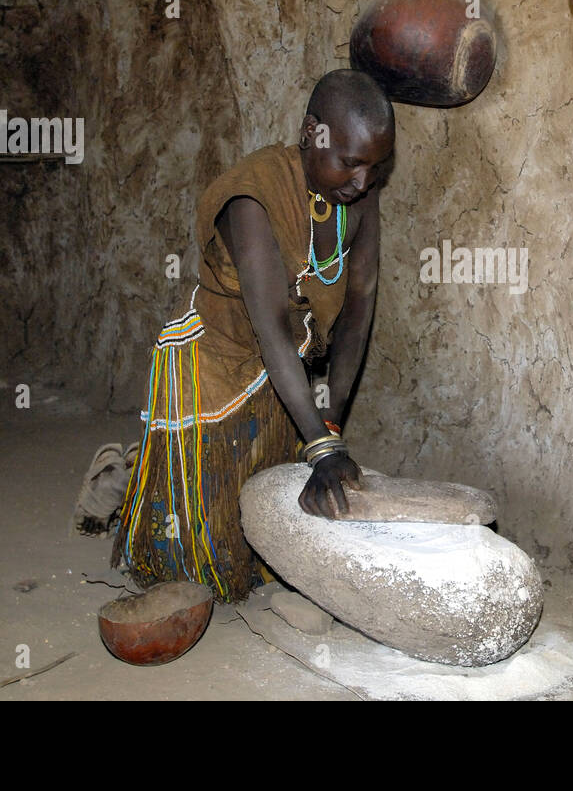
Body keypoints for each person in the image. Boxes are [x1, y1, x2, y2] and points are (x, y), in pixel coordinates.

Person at [112, 69, 395, 602]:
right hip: (213, 366)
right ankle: (123, 483)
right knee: (193, 561)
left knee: (265, 538)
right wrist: (319, 446)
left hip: (280, 377)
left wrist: (328, 422)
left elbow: (359, 311)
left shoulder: (359, 198)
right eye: (351, 162)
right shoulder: (254, 197)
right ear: (313, 132)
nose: (361, 182)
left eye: (375, 167)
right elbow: (270, 329)